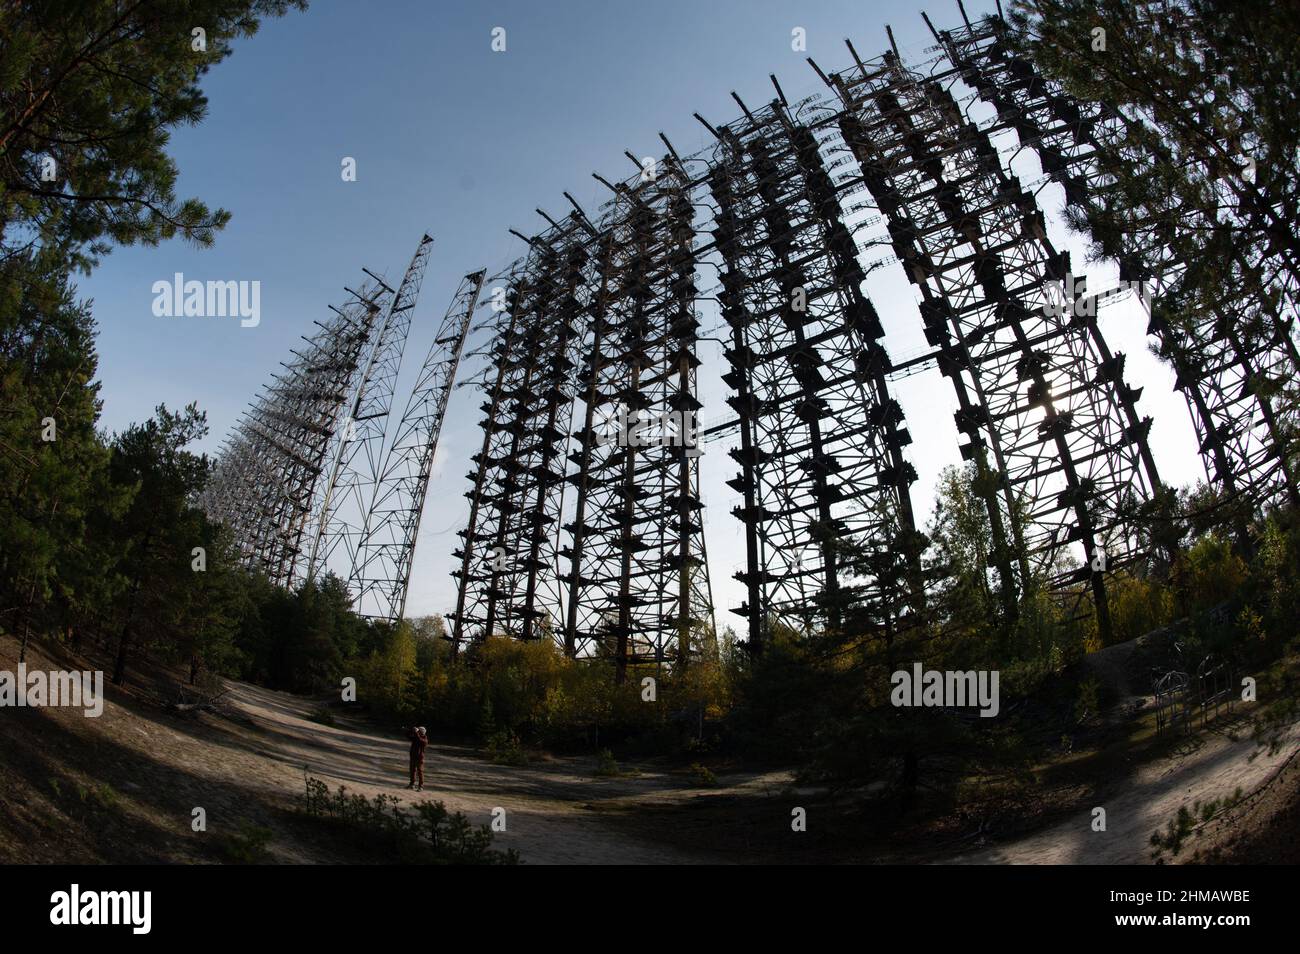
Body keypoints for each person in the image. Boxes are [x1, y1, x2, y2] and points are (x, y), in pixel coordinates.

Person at [406, 726, 428, 791]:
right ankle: (412, 784)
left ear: (421, 732)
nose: (417, 732)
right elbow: (408, 736)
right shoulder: (416, 737)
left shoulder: (424, 740)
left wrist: (416, 732)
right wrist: (410, 730)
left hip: (419, 758)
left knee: (420, 771)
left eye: (419, 731)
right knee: (412, 770)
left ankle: (421, 786)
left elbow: (419, 740)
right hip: (413, 756)